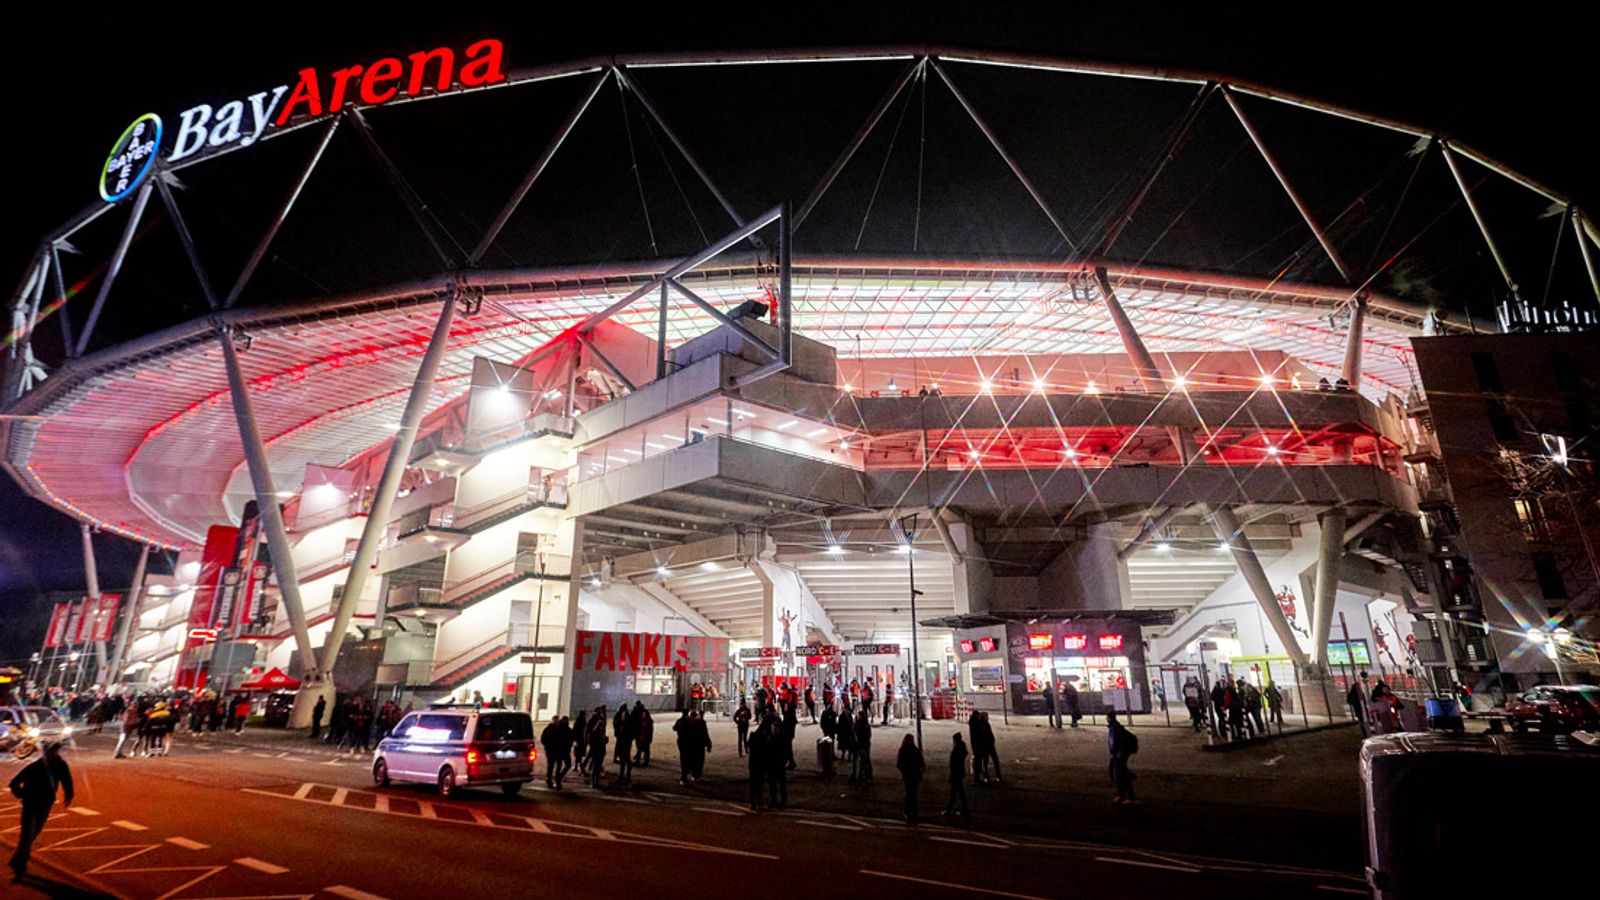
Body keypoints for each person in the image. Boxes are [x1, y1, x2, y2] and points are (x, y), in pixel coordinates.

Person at [8, 742, 74, 878]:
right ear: (45, 752)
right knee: (27, 835)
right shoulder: (35, 766)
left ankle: (19, 858)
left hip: (44, 804)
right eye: (51, 752)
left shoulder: (60, 765)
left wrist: (69, 794)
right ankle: (20, 866)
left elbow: (67, 781)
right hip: (31, 804)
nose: (53, 754)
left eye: (55, 751)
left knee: (34, 832)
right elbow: (14, 783)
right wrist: (23, 795)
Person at [1107, 711, 1137, 805]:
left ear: (1109, 718)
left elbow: (1115, 741)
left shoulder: (1114, 728)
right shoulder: (1115, 727)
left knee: (1121, 774)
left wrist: (1116, 752)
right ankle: (1121, 794)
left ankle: (1130, 797)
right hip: (1117, 754)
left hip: (1119, 754)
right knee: (1116, 774)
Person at [896, 734, 925, 824]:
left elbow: (921, 763)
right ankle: (910, 812)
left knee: (911, 794)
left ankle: (910, 812)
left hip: (911, 775)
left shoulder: (906, 750)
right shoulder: (912, 750)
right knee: (911, 794)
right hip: (911, 775)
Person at [943, 733, 970, 820]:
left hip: (956, 774)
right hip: (959, 773)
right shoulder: (962, 748)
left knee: (955, 793)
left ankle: (950, 810)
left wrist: (952, 774)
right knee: (959, 792)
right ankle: (963, 810)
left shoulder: (956, 750)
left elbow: (953, 764)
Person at [540, 716, 572, 789]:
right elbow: (545, 739)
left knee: (556, 765)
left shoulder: (558, 729)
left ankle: (555, 779)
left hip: (556, 750)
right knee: (554, 765)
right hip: (554, 750)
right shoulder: (553, 729)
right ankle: (553, 780)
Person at [746, 716, 770, 811]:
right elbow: (766, 750)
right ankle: (759, 802)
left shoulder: (753, 735)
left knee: (753, 784)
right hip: (760, 763)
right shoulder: (764, 738)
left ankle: (753, 803)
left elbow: (748, 746)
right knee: (759, 784)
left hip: (753, 763)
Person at [765, 718, 789, 809]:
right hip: (771, 764)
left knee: (781, 783)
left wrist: (784, 761)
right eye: (773, 728)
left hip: (779, 764)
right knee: (772, 784)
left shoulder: (782, 738)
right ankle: (773, 800)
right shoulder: (769, 737)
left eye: (775, 729)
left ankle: (783, 801)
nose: (774, 730)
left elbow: (786, 752)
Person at [587, 707, 609, 788]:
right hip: (597, 751)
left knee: (597, 767)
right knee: (595, 767)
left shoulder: (599, 733)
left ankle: (595, 781)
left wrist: (605, 740)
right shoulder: (594, 734)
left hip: (600, 751)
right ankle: (593, 782)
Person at [852, 708, 874, 783]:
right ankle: (863, 775)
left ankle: (866, 775)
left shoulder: (863, 725)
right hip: (863, 744)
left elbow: (864, 735)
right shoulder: (863, 725)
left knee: (864, 760)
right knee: (864, 760)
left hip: (862, 745)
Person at [1347, 672, 1370, 737]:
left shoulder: (1360, 686)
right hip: (1360, 708)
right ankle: (1365, 732)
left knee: (1363, 720)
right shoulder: (1358, 688)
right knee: (1363, 720)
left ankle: (1365, 732)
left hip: (1360, 708)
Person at [572, 709, 590, 775]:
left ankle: (577, 766)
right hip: (580, 741)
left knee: (578, 755)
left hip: (580, 740)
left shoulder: (579, 722)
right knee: (579, 755)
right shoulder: (581, 722)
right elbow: (575, 732)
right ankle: (581, 768)